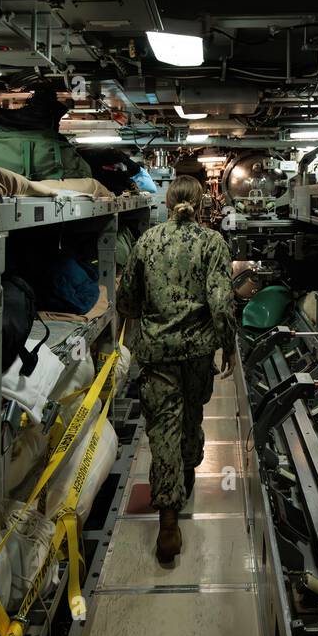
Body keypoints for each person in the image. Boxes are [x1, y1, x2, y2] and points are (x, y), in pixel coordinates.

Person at [117, 175, 235, 565]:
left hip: (156, 354)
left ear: (166, 203)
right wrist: (228, 345)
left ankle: (168, 521)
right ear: (201, 205)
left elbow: (127, 298)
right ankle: (185, 476)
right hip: (197, 354)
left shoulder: (147, 242)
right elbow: (220, 304)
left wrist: (143, 318)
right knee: (191, 418)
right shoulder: (212, 243)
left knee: (162, 428)